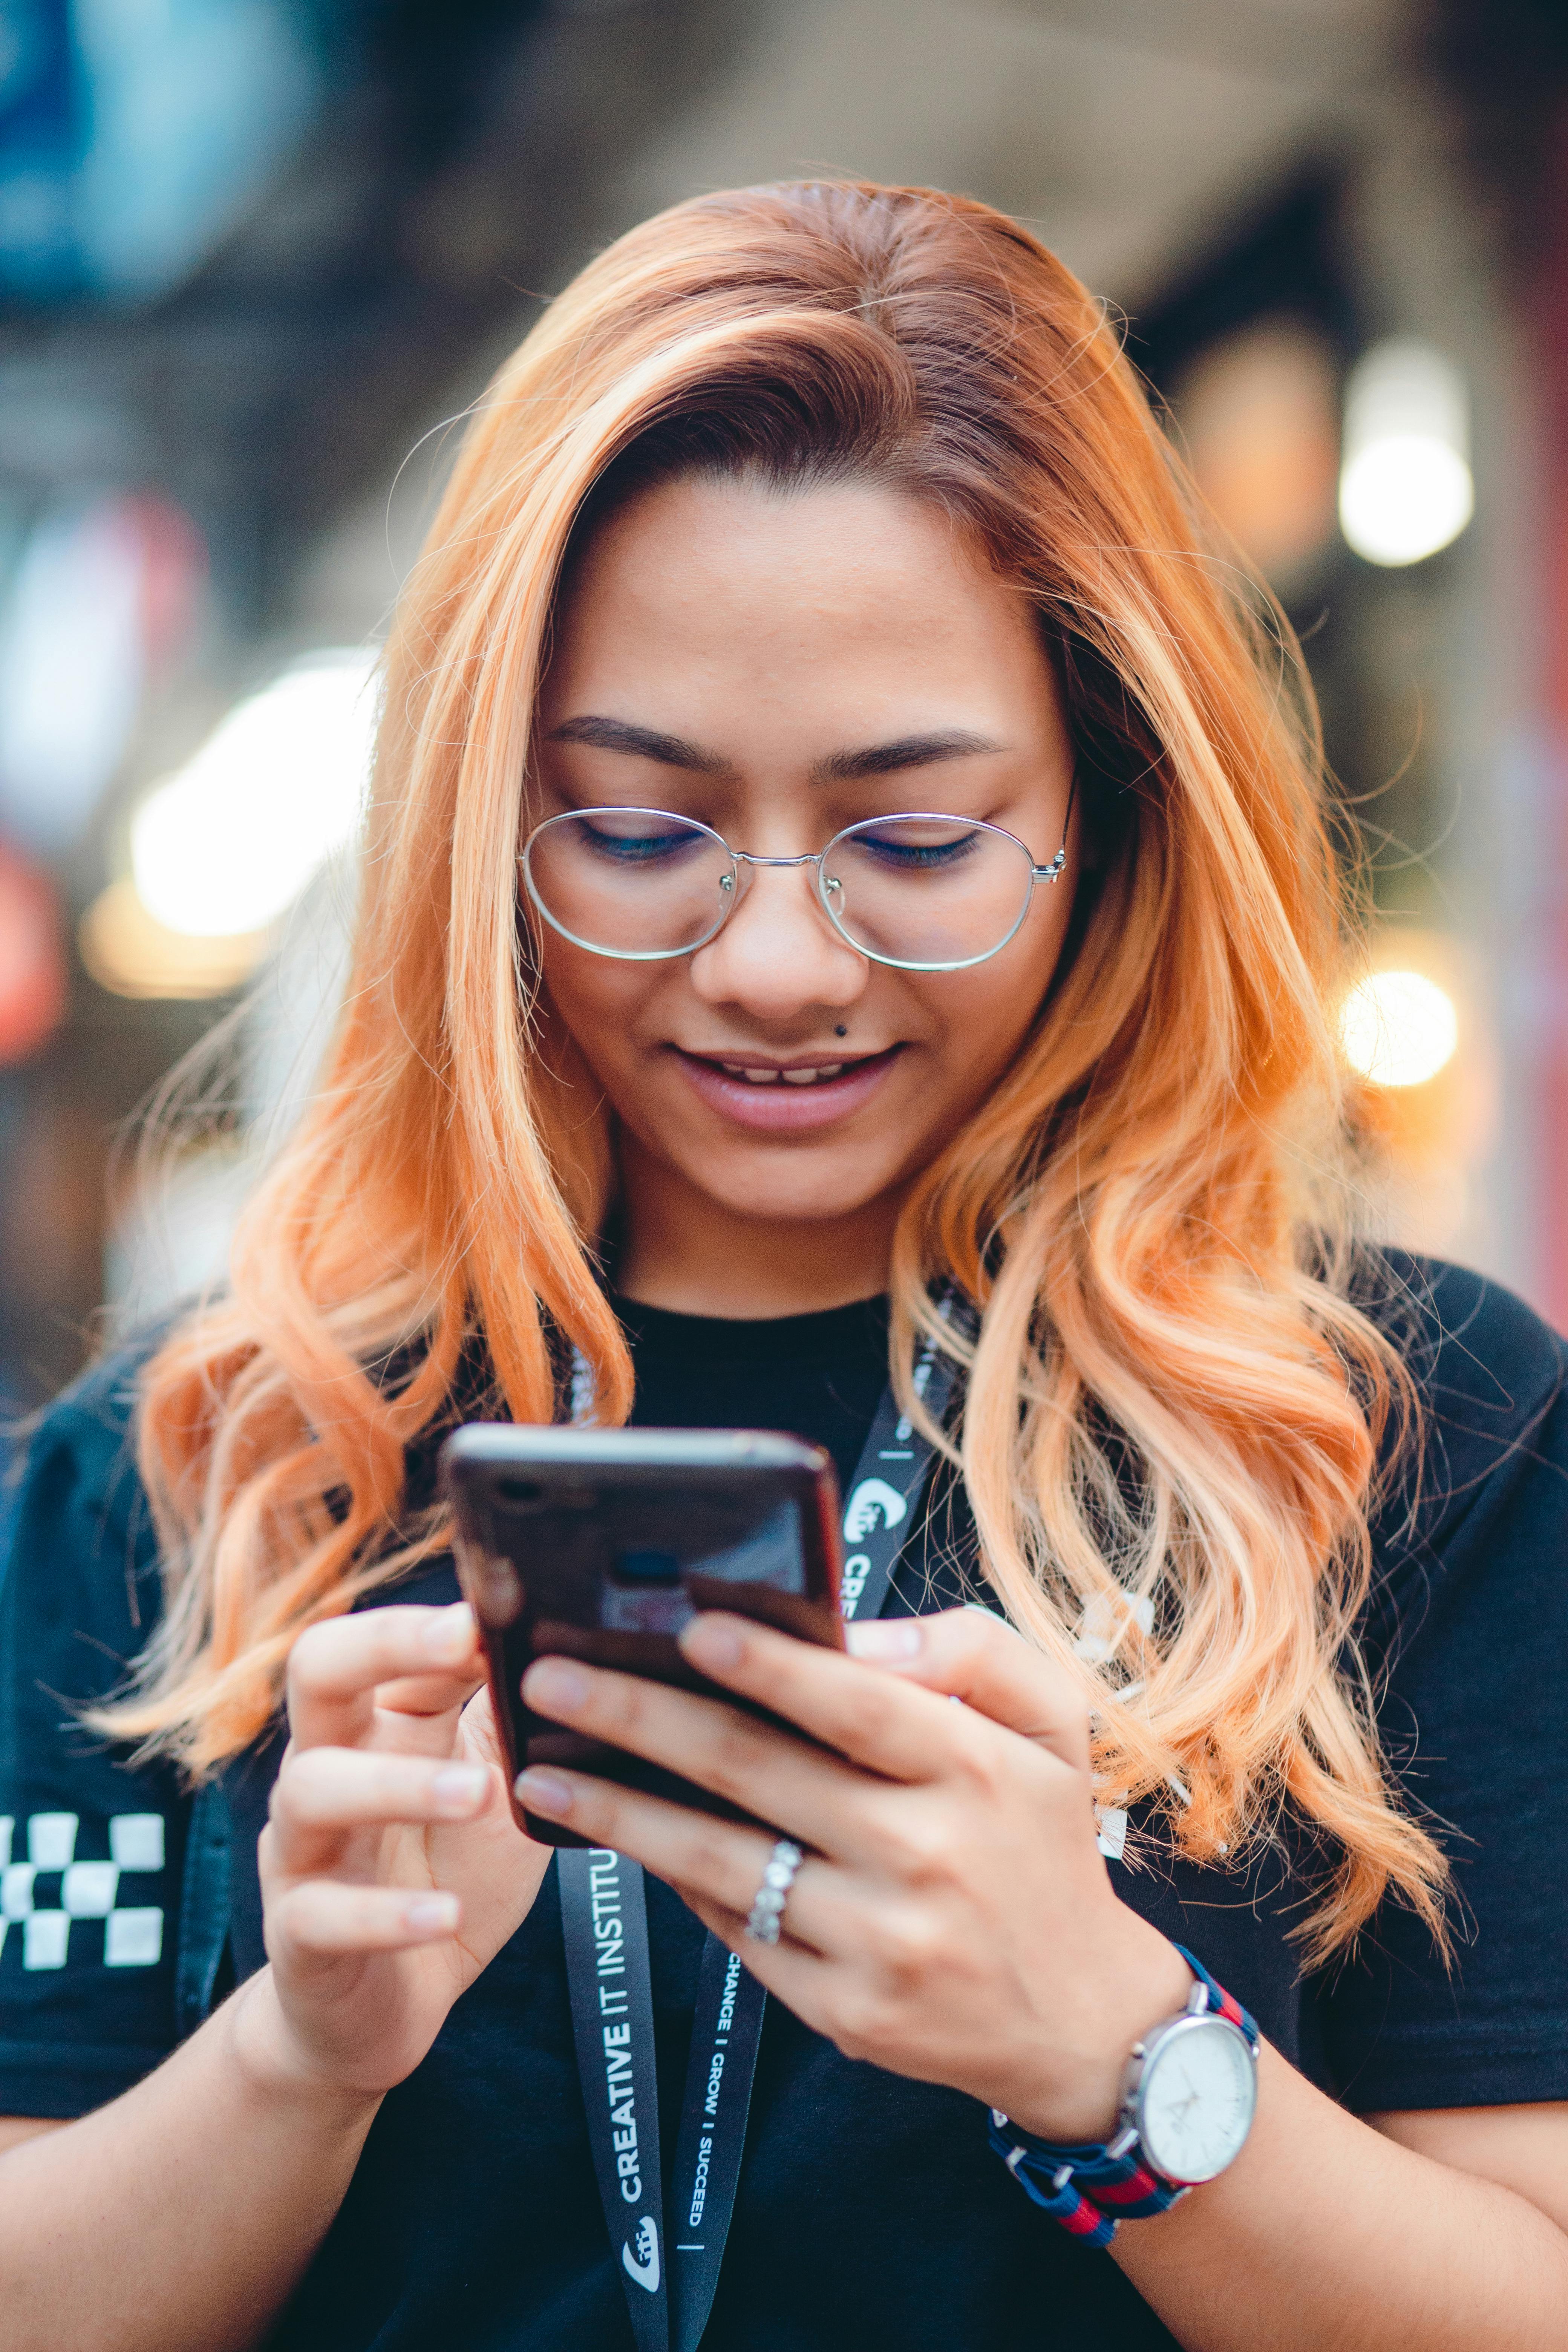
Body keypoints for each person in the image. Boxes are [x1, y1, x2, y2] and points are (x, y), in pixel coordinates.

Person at [1, 179, 1565, 2352]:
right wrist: (298, 2058)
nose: (767, 963)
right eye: (636, 831)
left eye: (914, 840)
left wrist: (1112, 2055)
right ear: (481, 822)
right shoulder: (213, 1459)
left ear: (1109, 802)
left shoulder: (1411, 1435)